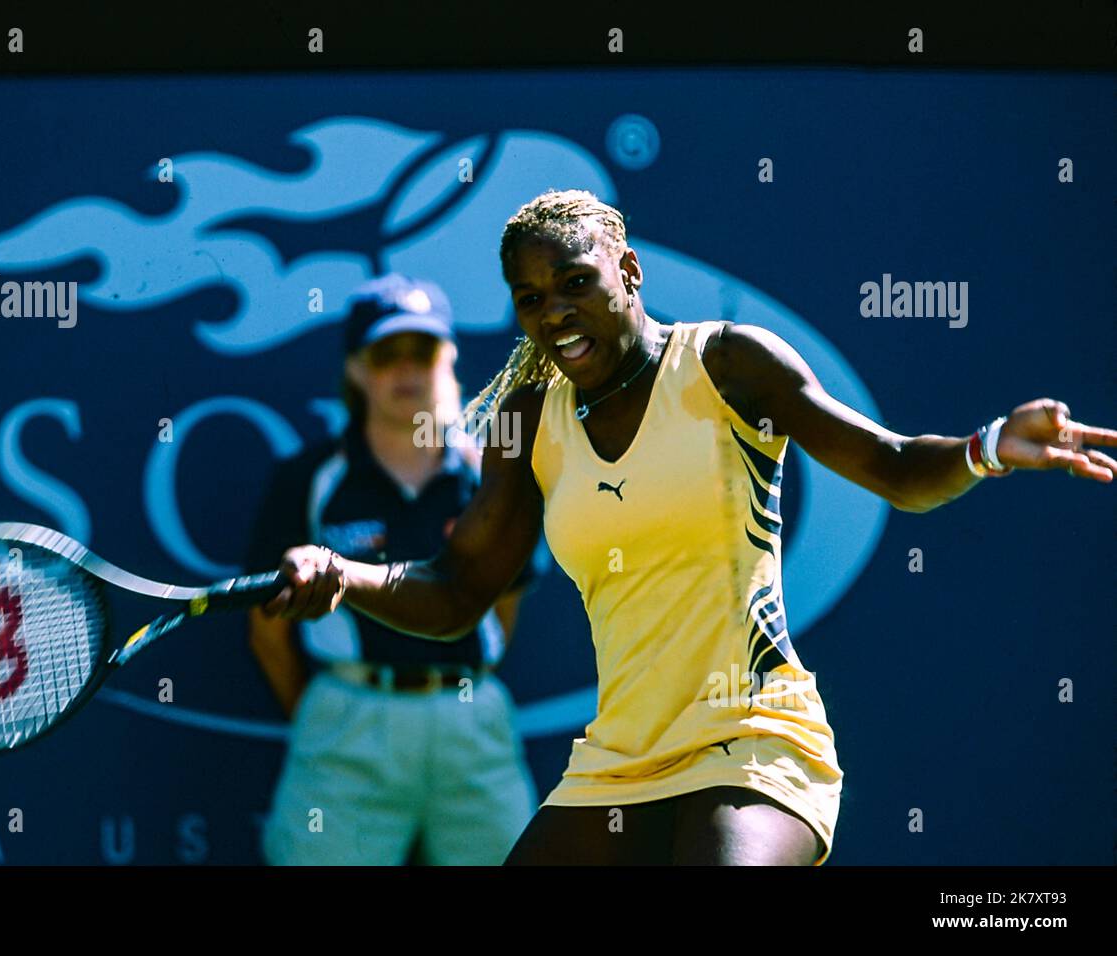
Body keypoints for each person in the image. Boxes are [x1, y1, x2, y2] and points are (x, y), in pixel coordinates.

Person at [257, 189, 1117, 865]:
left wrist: (991, 445)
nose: (553, 311)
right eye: (530, 298)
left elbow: (894, 468)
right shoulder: (527, 419)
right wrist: (345, 575)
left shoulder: (729, 365)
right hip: (619, 763)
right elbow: (459, 592)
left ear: (628, 271)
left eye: (575, 283)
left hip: (754, 743)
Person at [246, 273, 538, 866]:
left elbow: (504, 603)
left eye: (423, 350)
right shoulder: (307, 479)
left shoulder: (495, 475)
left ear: (450, 358)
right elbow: (268, 630)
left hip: (471, 718)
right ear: (355, 369)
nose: (406, 370)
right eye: (386, 354)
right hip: (347, 721)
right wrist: (329, 714)